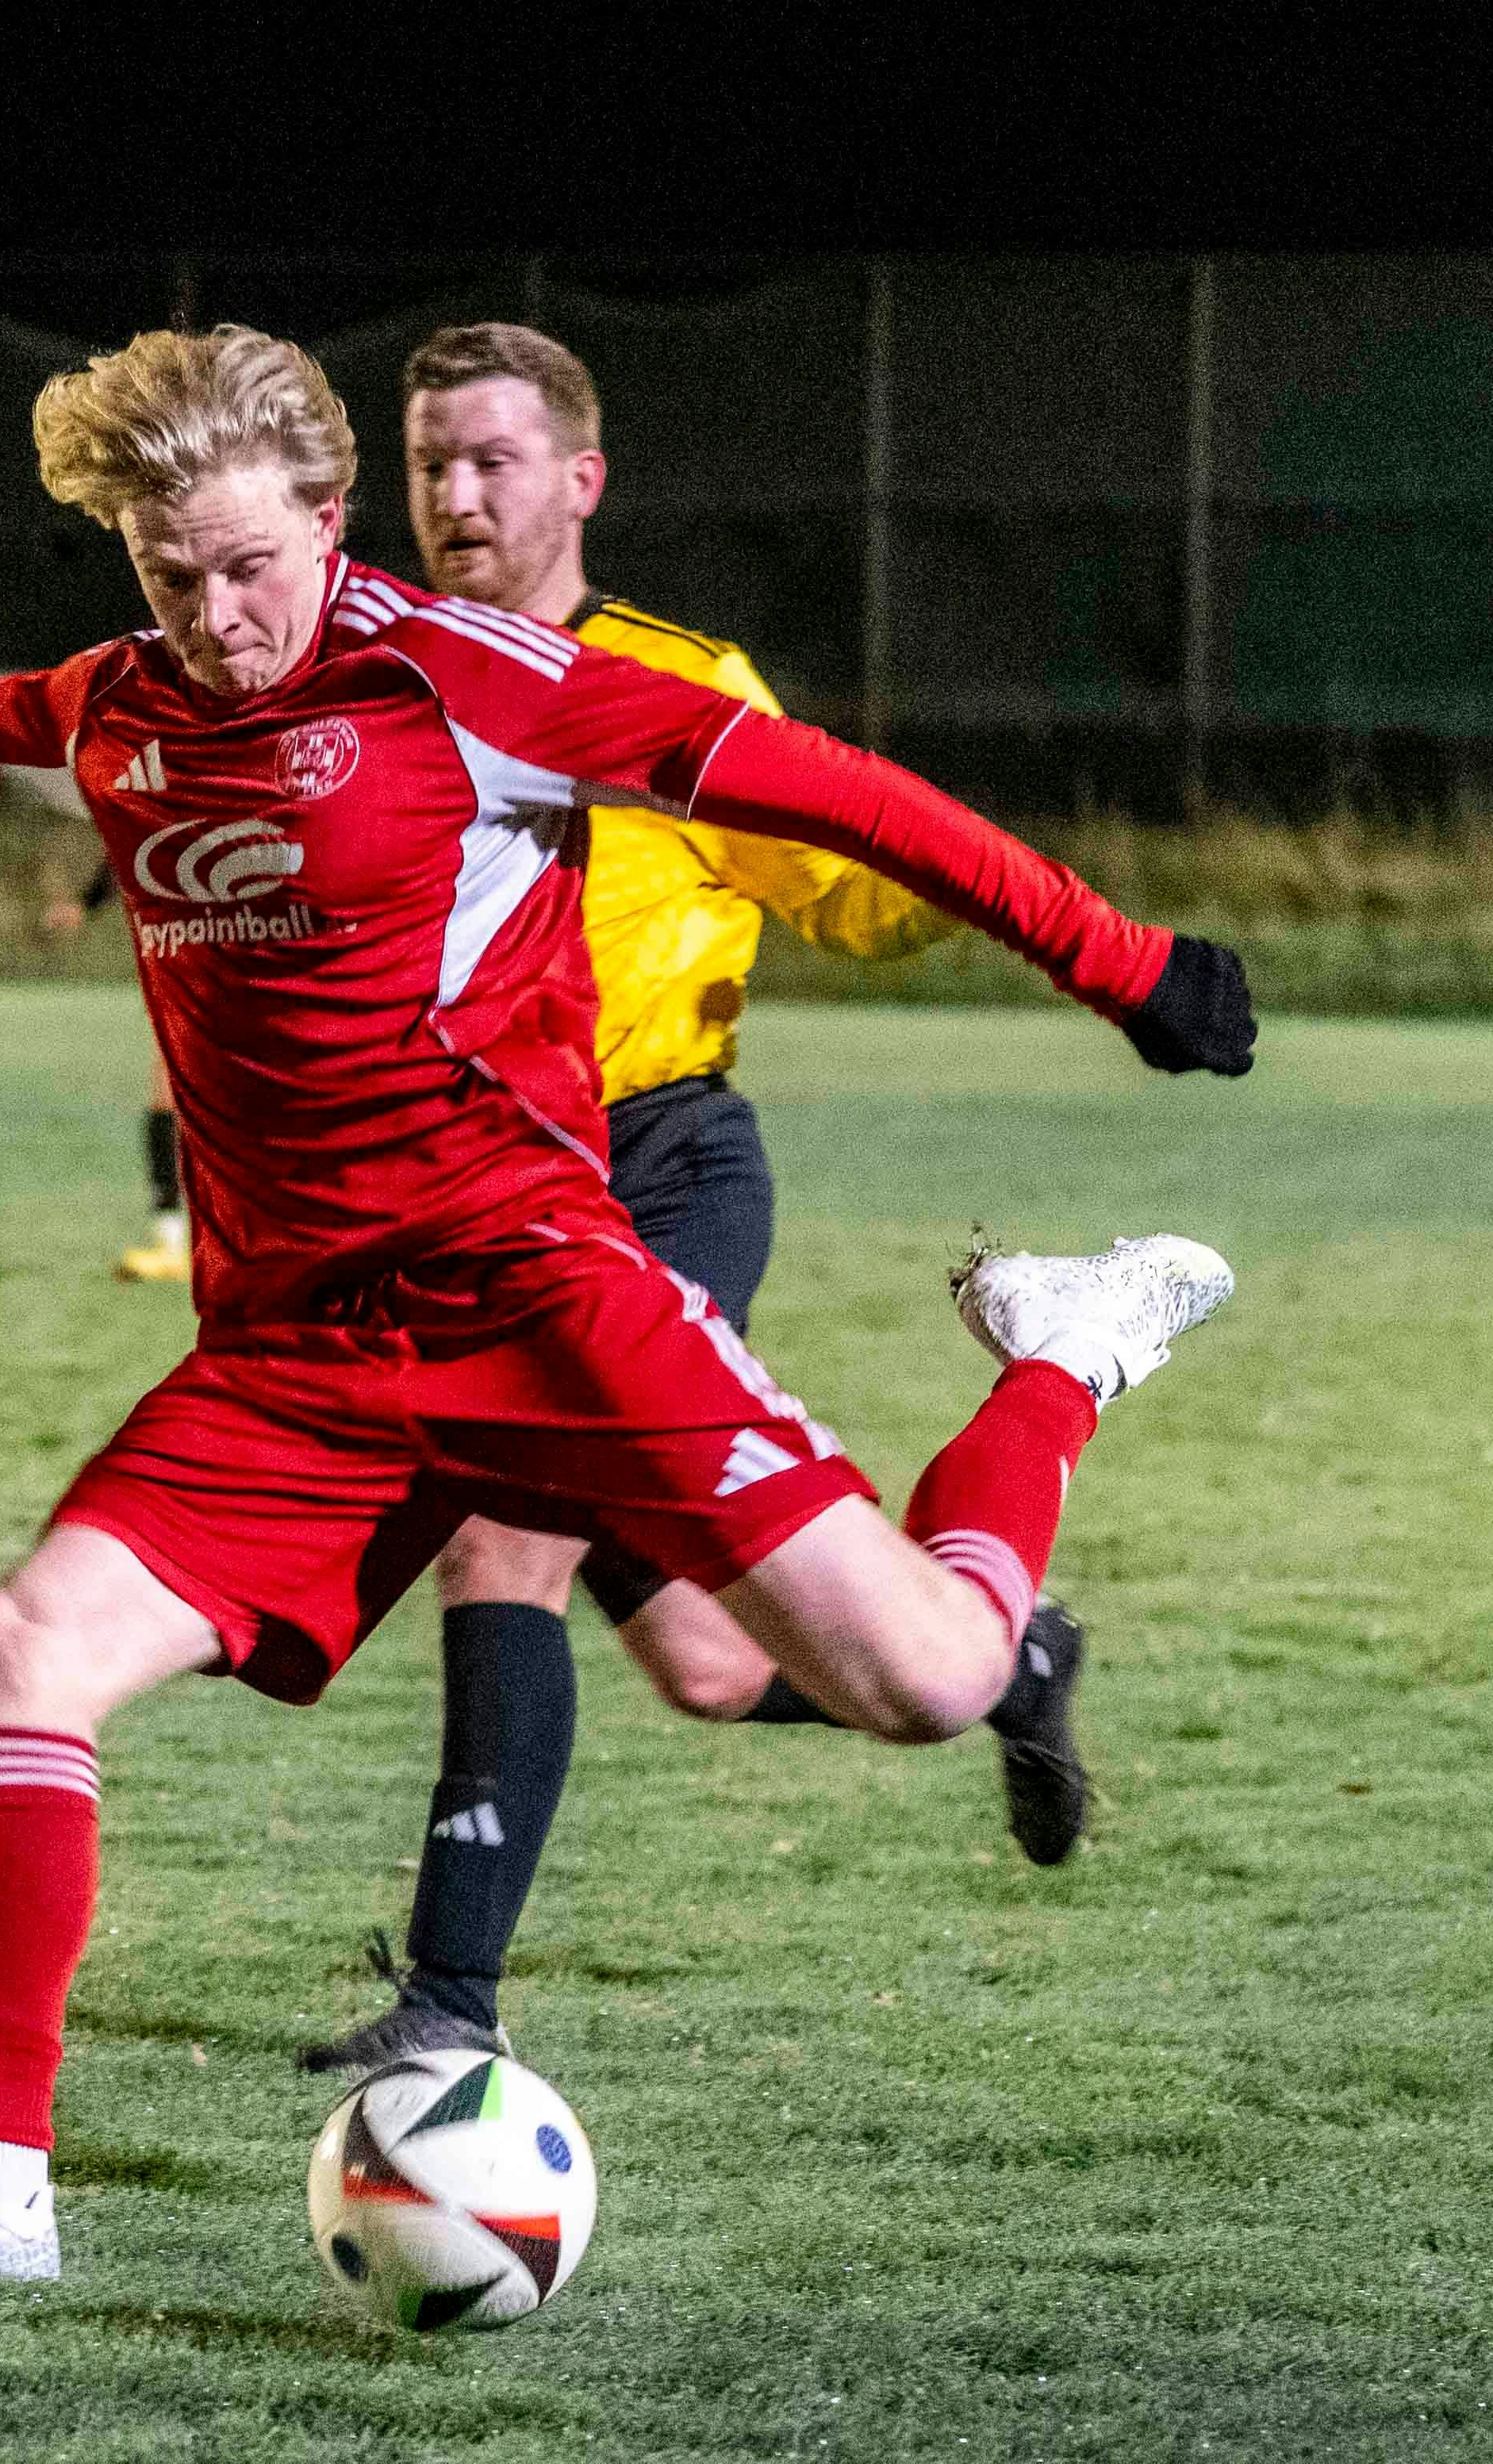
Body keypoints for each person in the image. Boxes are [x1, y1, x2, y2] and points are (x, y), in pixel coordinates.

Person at [0, 323, 1255, 2287]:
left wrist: (1121, 963)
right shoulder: (121, 701)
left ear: (331, 524)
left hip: (536, 1290)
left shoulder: (467, 677)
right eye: (170, 574)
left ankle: (1060, 1350)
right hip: (295, 1350)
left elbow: (826, 790)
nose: (216, 615)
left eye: (250, 566)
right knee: (23, 1644)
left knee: (925, 1677)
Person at [297, 323, 1109, 2077]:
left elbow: (850, 865)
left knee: (499, 1529)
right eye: (429, 460)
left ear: (580, 480)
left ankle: (446, 2007)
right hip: (473, 1199)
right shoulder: (375, 682)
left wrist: (1032, 916)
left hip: (655, 1171)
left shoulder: (679, 681)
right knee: (714, 1665)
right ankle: (1005, 1647)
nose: (454, 494)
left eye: (492, 458)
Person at [43, 863, 190, 1282]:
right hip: (191, 953)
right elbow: (128, 844)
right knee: (166, 1091)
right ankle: (170, 1243)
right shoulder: (160, 807)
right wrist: (85, 904)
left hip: (245, 949)